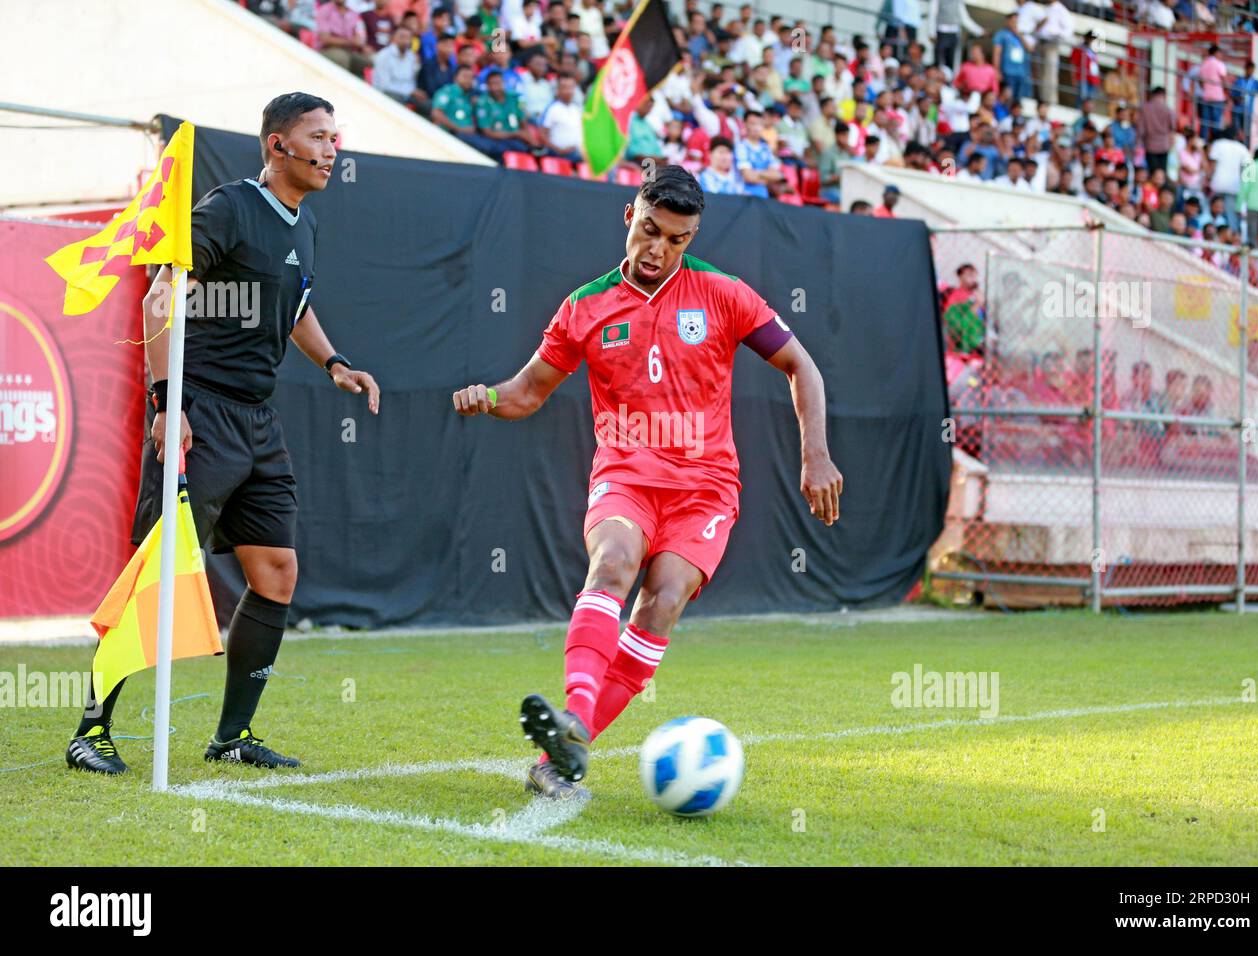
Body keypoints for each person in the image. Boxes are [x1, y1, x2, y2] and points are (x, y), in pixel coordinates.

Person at [450, 167, 842, 797]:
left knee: (661, 601)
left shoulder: (724, 293)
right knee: (612, 565)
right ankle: (576, 714)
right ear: (628, 218)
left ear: (692, 238)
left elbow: (802, 366)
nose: (659, 248)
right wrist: (487, 397)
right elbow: (527, 393)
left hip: (706, 486)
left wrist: (816, 455)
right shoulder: (585, 305)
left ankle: (565, 755)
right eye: (651, 230)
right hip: (626, 474)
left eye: (677, 239)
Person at [66, 93, 382, 775]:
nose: (333, 150)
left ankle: (232, 735)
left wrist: (334, 362)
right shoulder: (227, 209)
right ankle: (90, 732)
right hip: (199, 411)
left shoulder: (305, 225)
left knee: (277, 571)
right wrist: (165, 402)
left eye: (336, 137)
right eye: (319, 137)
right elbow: (159, 294)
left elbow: (294, 306)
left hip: (258, 420)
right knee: (158, 572)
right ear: (277, 145)